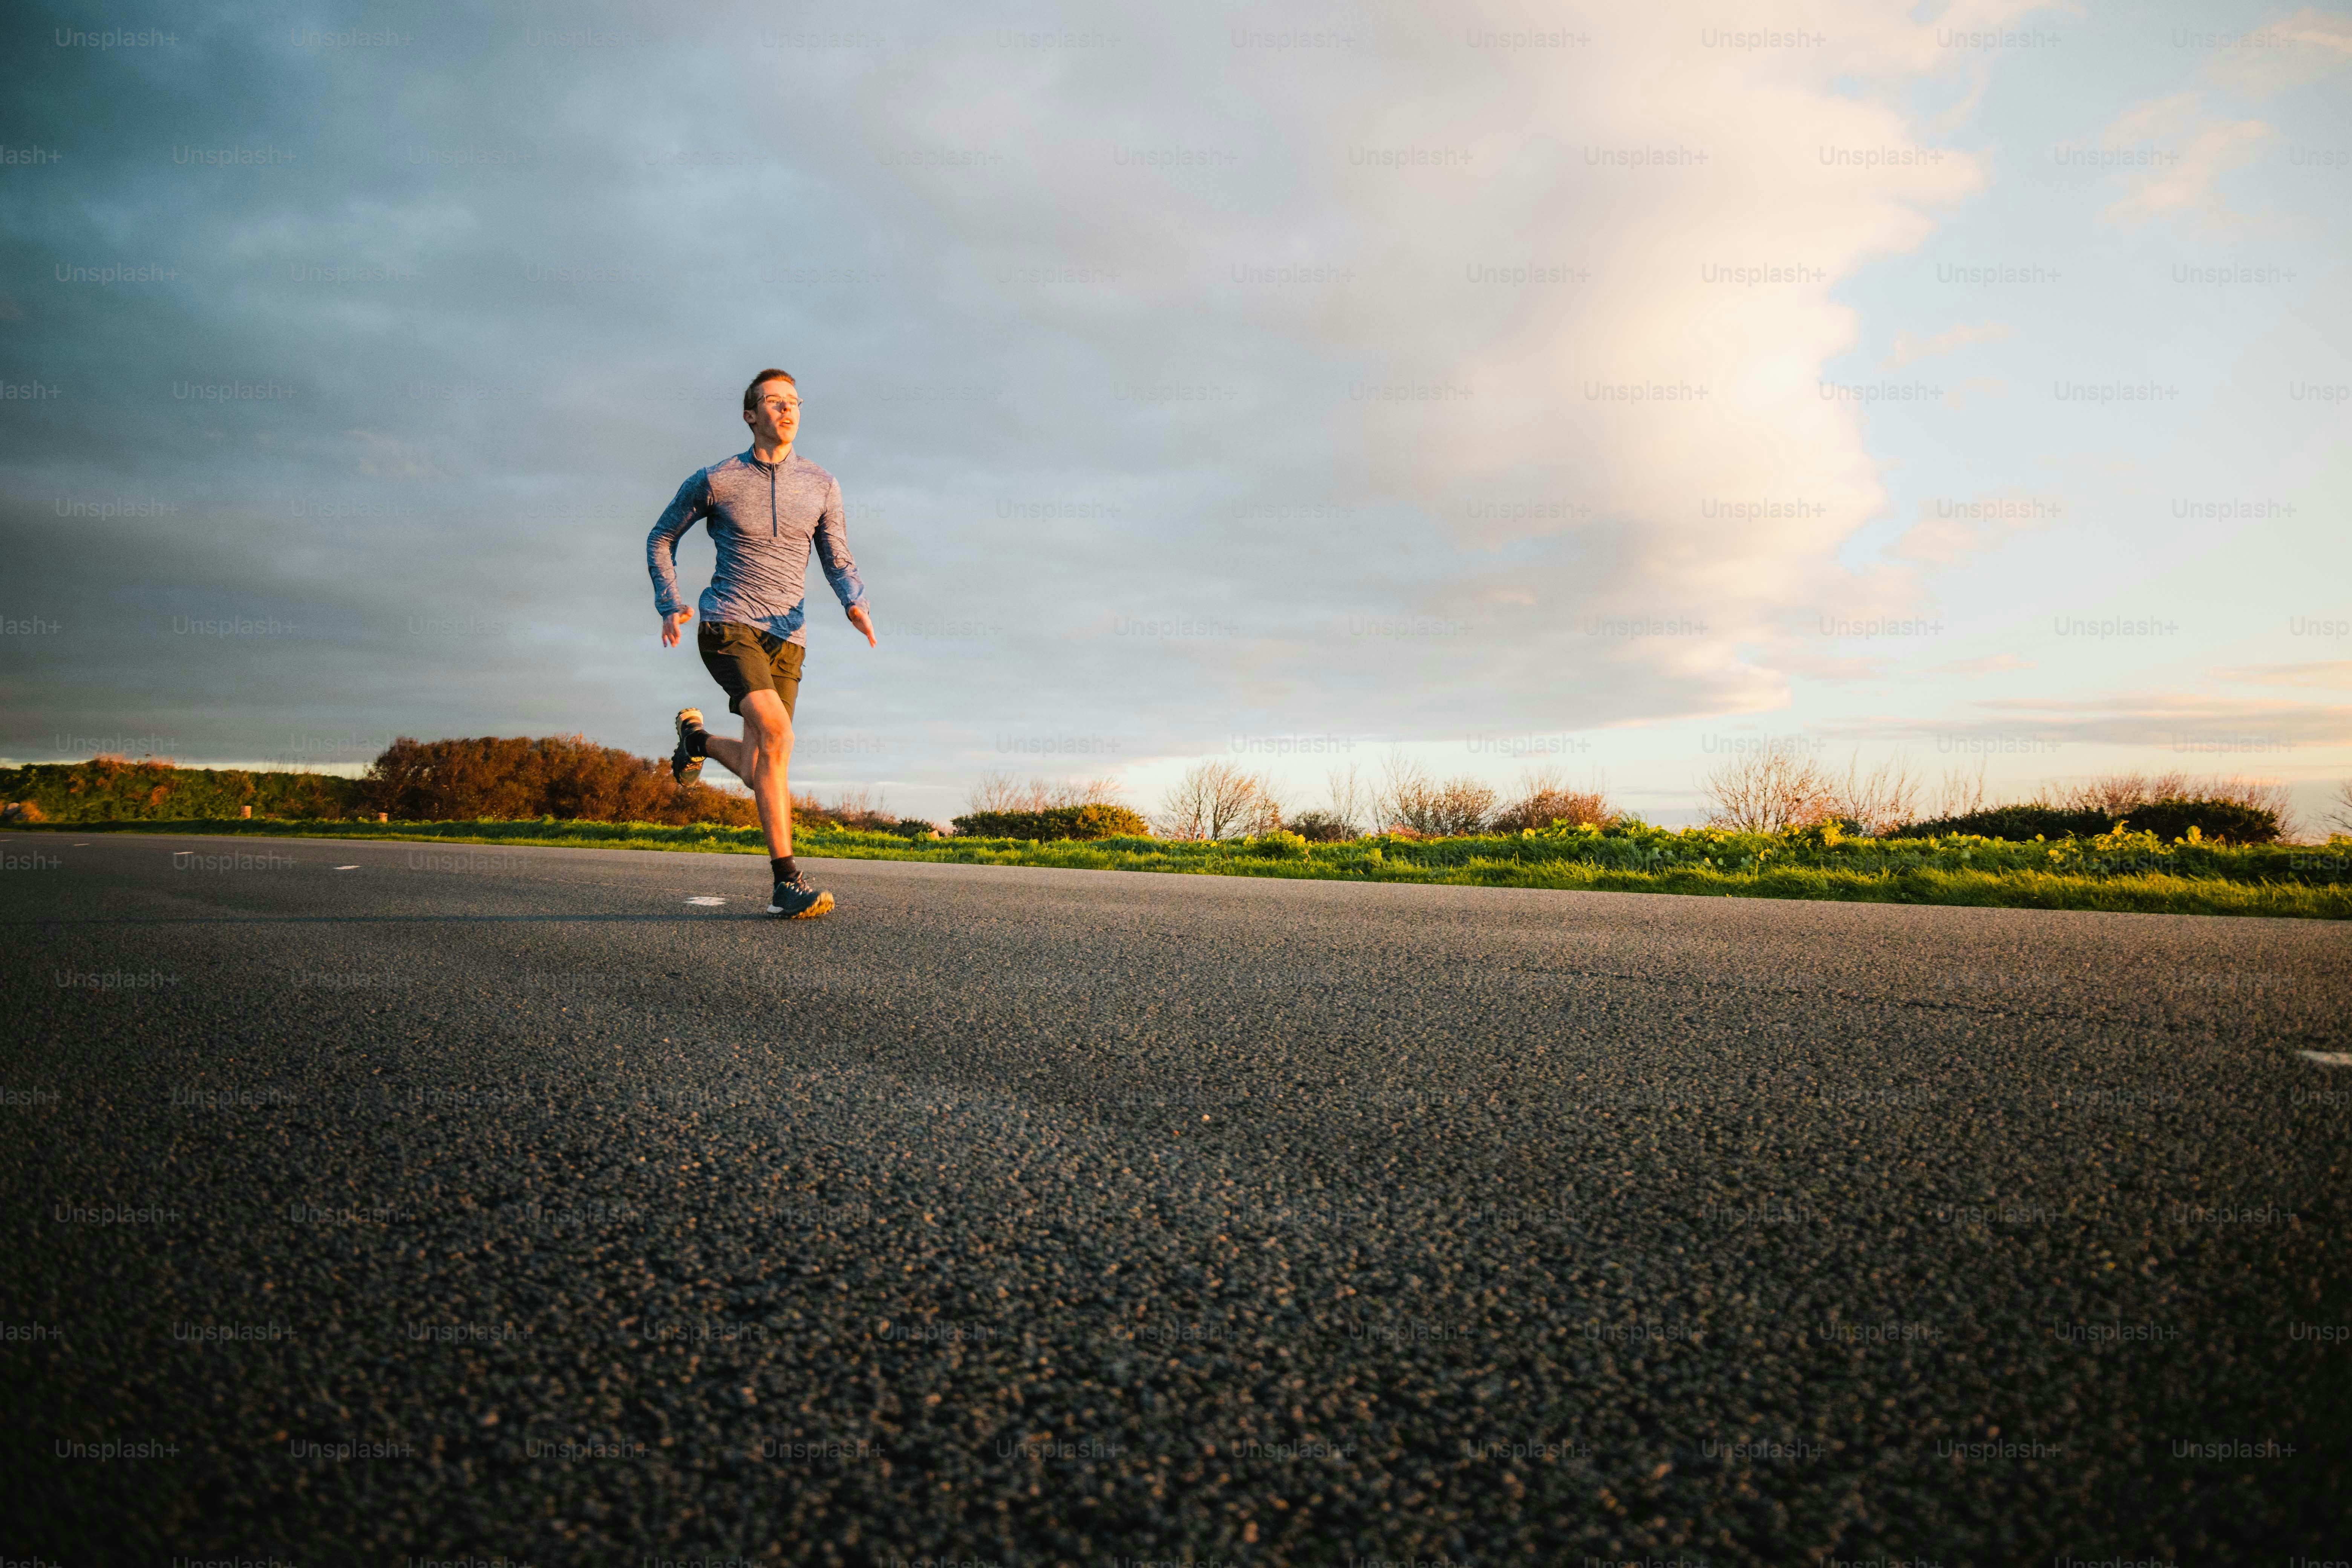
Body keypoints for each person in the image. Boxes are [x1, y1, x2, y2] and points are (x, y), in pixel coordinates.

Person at [646, 369, 876, 918]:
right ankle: (786, 883)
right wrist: (669, 599)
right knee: (779, 735)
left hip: (787, 638)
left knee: (758, 767)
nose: (787, 410)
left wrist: (853, 600)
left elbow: (836, 555)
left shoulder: (822, 483)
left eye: (795, 401)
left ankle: (697, 743)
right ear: (752, 415)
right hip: (727, 625)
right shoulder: (717, 479)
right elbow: (661, 537)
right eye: (774, 402)